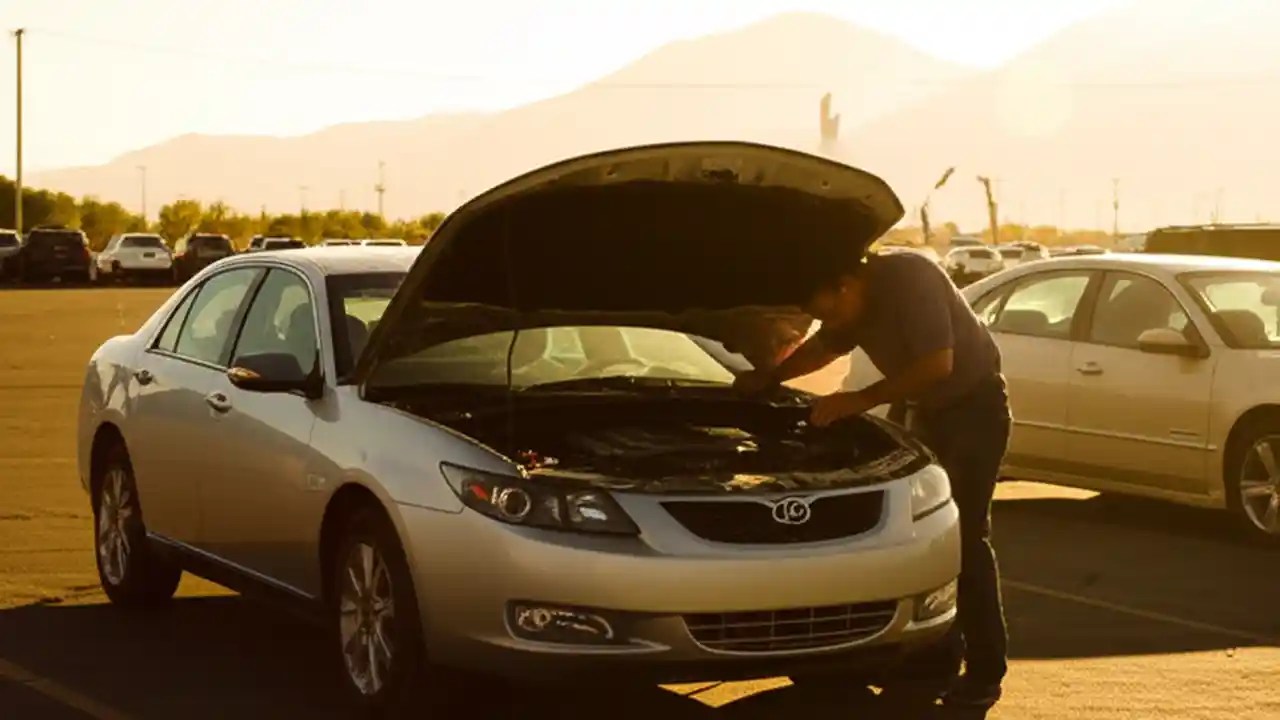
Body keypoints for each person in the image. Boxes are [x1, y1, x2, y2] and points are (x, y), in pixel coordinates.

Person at [734, 249, 1011, 708]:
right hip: (927, 410)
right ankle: (935, 662)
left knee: (962, 539)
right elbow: (824, 347)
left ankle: (985, 672)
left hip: (973, 410)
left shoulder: (910, 277)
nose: (831, 321)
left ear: (846, 285)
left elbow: (936, 364)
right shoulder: (850, 305)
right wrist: (771, 379)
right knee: (920, 538)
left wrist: (859, 399)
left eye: (828, 311)